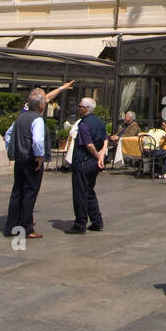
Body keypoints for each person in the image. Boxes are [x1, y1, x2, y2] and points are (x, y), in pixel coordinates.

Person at [3, 89, 46, 239]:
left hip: (19, 160)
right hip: (31, 160)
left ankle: (11, 226)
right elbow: (38, 140)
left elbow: (8, 135)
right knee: (29, 193)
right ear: (41, 106)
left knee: (17, 192)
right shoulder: (37, 119)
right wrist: (40, 156)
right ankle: (26, 228)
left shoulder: (20, 118)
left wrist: (12, 149)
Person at [66, 98, 108, 233]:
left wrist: (97, 156)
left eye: (80, 106)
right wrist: (101, 156)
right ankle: (97, 221)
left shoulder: (84, 124)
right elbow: (106, 139)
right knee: (89, 191)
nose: (78, 108)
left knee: (80, 194)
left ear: (86, 108)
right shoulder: (99, 122)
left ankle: (80, 224)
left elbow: (88, 144)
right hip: (93, 165)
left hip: (83, 162)